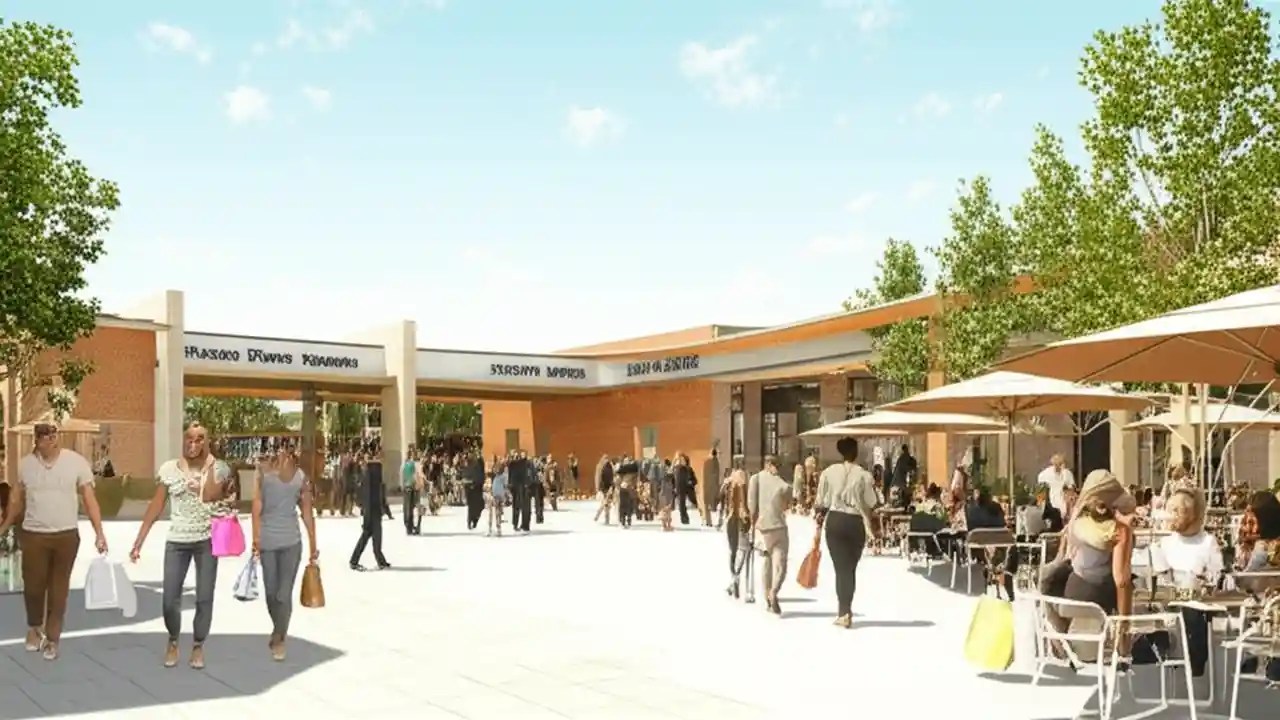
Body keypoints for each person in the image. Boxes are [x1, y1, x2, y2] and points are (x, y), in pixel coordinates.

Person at [130, 422, 238, 669]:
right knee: (169, 599)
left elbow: (223, 498)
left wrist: (207, 473)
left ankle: (198, 645)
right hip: (177, 541)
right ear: (183, 439)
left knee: (204, 596)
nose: (194, 443)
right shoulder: (169, 469)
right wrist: (139, 541)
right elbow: (156, 505)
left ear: (207, 441)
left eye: (200, 439)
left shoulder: (218, 468)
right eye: (190, 438)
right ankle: (173, 640)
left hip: (206, 540)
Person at [0, 422, 107, 661]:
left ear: (56, 438)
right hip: (34, 535)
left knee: (59, 591)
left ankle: (52, 639)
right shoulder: (26, 465)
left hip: (65, 536)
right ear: (35, 440)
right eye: (42, 437)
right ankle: (34, 627)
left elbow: (89, 499)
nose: (47, 441)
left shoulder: (75, 462)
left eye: (51, 436)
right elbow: (16, 500)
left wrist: (99, 533)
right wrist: (5, 526)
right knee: (34, 587)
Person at [250, 448, 318, 662]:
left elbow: (307, 512)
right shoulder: (263, 474)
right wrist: (256, 537)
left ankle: (279, 637)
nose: (282, 453)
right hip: (268, 542)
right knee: (271, 592)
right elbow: (256, 506)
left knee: (283, 593)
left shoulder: (301, 478)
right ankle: (278, 628)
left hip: (291, 542)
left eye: (287, 450)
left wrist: (313, 544)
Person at [814, 437, 880, 629]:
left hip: (835, 521)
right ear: (856, 452)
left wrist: (818, 525)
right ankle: (846, 609)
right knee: (850, 569)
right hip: (854, 522)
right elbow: (872, 502)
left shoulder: (828, 473)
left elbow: (821, 502)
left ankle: (843, 611)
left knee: (840, 569)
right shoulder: (864, 475)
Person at [748, 455, 793, 615]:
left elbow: (751, 506)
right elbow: (790, 496)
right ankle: (774, 590)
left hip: (762, 527)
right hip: (779, 526)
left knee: (766, 561)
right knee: (780, 563)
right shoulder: (781, 482)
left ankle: (767, 595)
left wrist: (752, 525)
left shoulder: (755, 479)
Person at [349, 446, 391, 571]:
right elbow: (375, 492)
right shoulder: (373, 471)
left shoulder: (367, 471)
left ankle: (358, 560)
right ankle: (375, 560)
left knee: (368, 535)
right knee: (374, 534)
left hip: (370, 508)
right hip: (372, 509)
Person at [722, 469, 754, 602]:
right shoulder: (743, 486)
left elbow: (720, 501)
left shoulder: (728, 486)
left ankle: (734, 578)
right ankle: (738, 580)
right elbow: (745, 506)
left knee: (733, 551)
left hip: (730, 520)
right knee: (744, 550)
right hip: (741, 520)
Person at [487, 462, 509, 537]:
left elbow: (505, 486)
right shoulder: (495, 476)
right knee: (495, 512)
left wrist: (506, 496)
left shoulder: (502, 477)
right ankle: (495, 528)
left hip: (497, 496)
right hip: (495, 495)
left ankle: (496, 528)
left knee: (495, 513)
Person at [401, 450, 420, 536]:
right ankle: (410, 527)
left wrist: (402, 486)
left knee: (406, 507)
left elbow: (401, 475)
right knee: (411, 508)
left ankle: (407, 526)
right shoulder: (413, 464)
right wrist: (417, 485)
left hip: (406, 487)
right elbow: (415, 475)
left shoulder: (404, 465)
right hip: (411, 487)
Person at [700, 449, 721, 526]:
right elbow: (718, 475)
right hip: (714, 487)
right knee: (715, 505)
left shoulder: (706, 461)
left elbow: (703, 475)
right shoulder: (716, 462)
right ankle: (714, 521)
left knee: (706, 504)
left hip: (707, 486)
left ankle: (708, 521)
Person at [594, 454, 614, 525]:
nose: (606, 460)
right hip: (603, 488)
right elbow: (597, 478)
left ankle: (602, 517)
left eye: (607, 458)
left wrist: (612, 486)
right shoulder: (600, 466)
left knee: (606, 504)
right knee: (605, 503)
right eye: (605, 458)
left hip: (608, 487)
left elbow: (613, 476)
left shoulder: (610, 466)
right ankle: (602, 517)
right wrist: (598, 488)